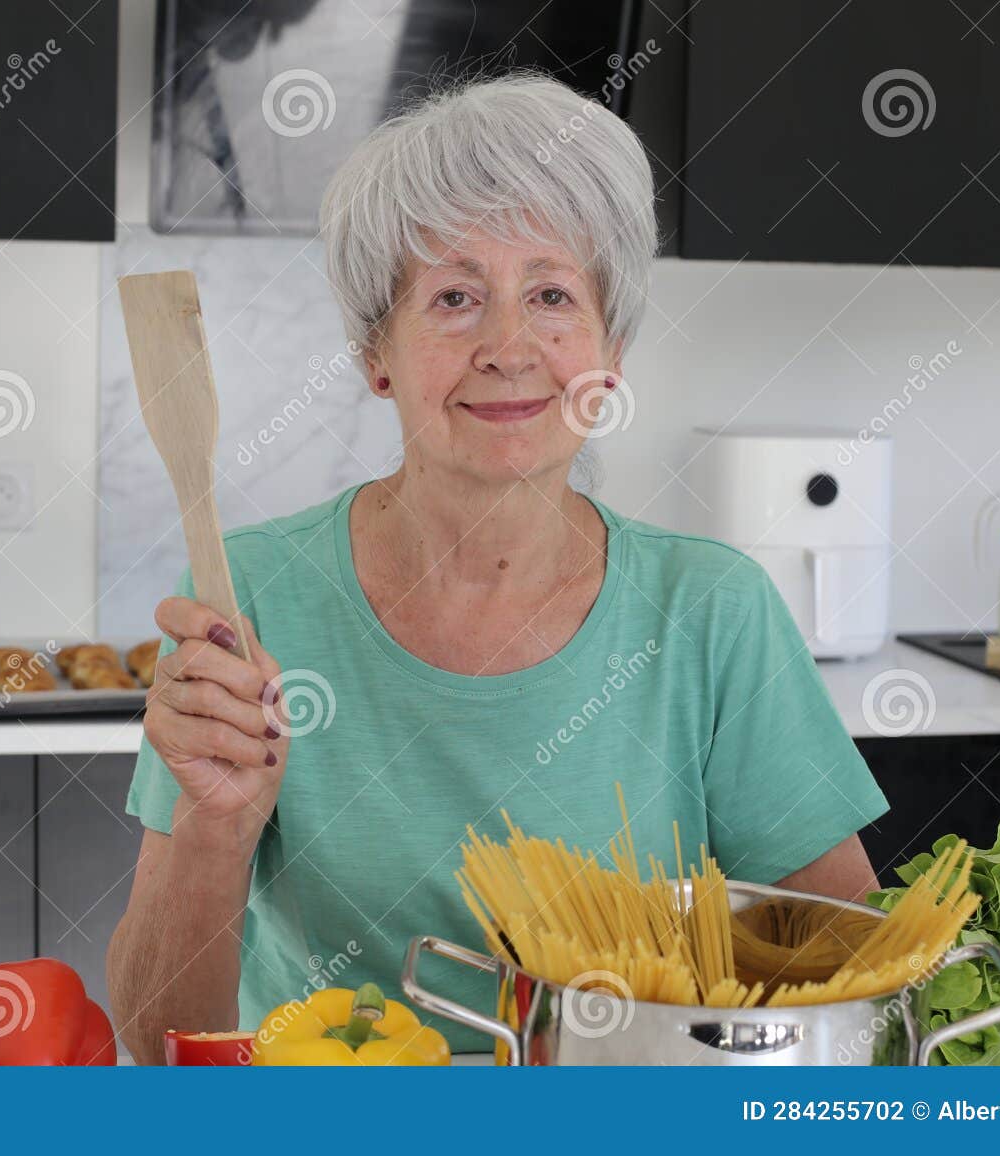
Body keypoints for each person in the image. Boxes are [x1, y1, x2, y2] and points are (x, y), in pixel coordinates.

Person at [107, 73, 887, 1063]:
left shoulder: (711, 610)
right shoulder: (251, 593)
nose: (509, 347)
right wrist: (216, 830)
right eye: (455, 297)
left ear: (611, 348)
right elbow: (152, 1036)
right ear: (373, 354)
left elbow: (850, 970)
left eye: (552, 294)